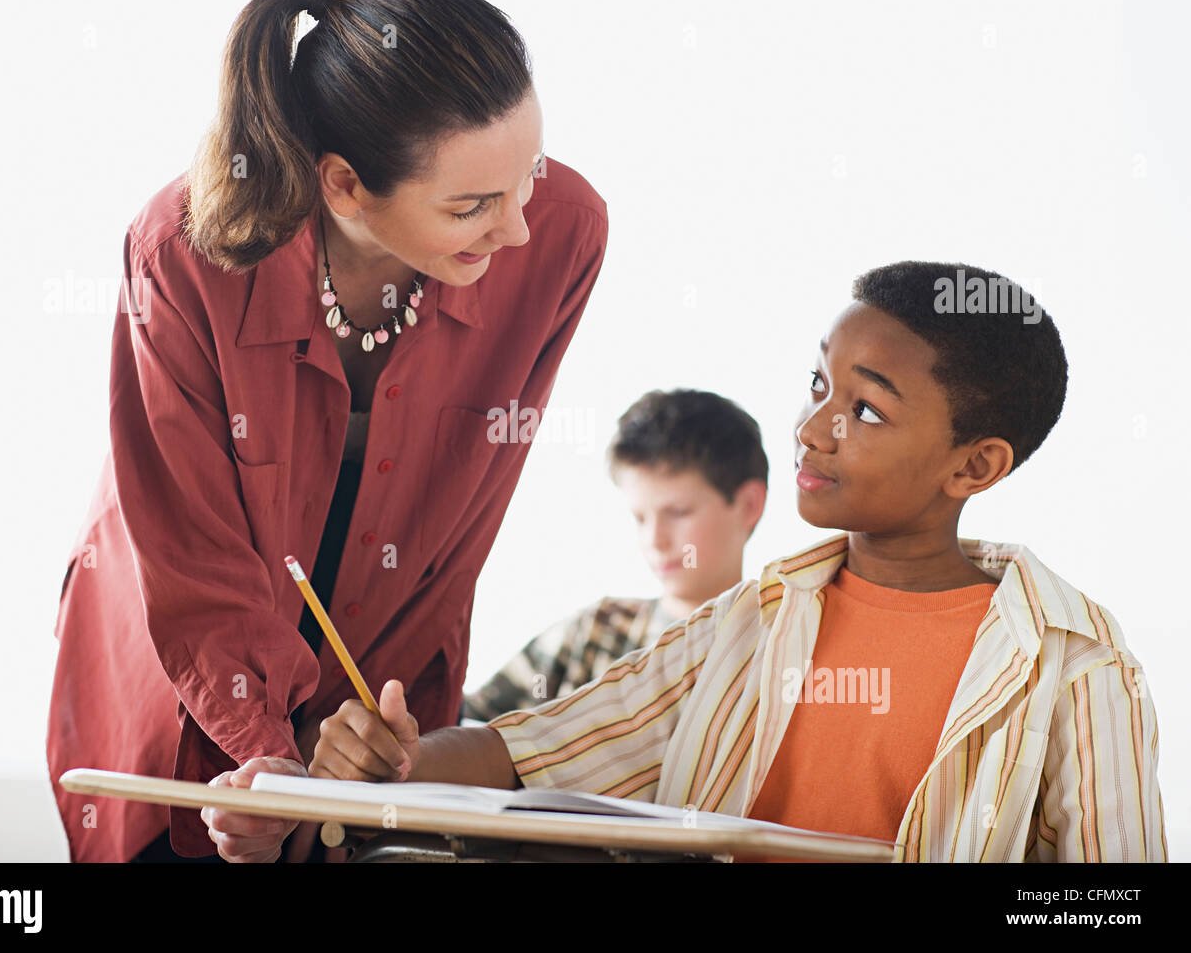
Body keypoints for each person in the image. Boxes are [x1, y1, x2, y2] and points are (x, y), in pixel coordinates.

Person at [303, 261, 1167, 862]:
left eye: (865, 411)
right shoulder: (751, 623)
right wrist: (400, 759)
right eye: (819, 385)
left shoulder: (1072, 662)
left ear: (974, 466)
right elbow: (527, 751)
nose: (811, 427)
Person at [46, 0, 609, 863]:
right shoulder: (182, 252)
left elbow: (466, 516)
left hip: (378, 628)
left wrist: (384, 730)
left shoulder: (562, 233)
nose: (518, 226)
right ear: (341, 182)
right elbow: (192, 552)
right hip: (188, 639)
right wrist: (263, 747)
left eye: (528, 174)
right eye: (472, 206)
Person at [462, 389, 767, 722]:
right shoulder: (593, 632)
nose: (655, 540)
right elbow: (463, 722)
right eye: (640, 518)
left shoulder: (776, 652)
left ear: (749, 505)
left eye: (678, 512)